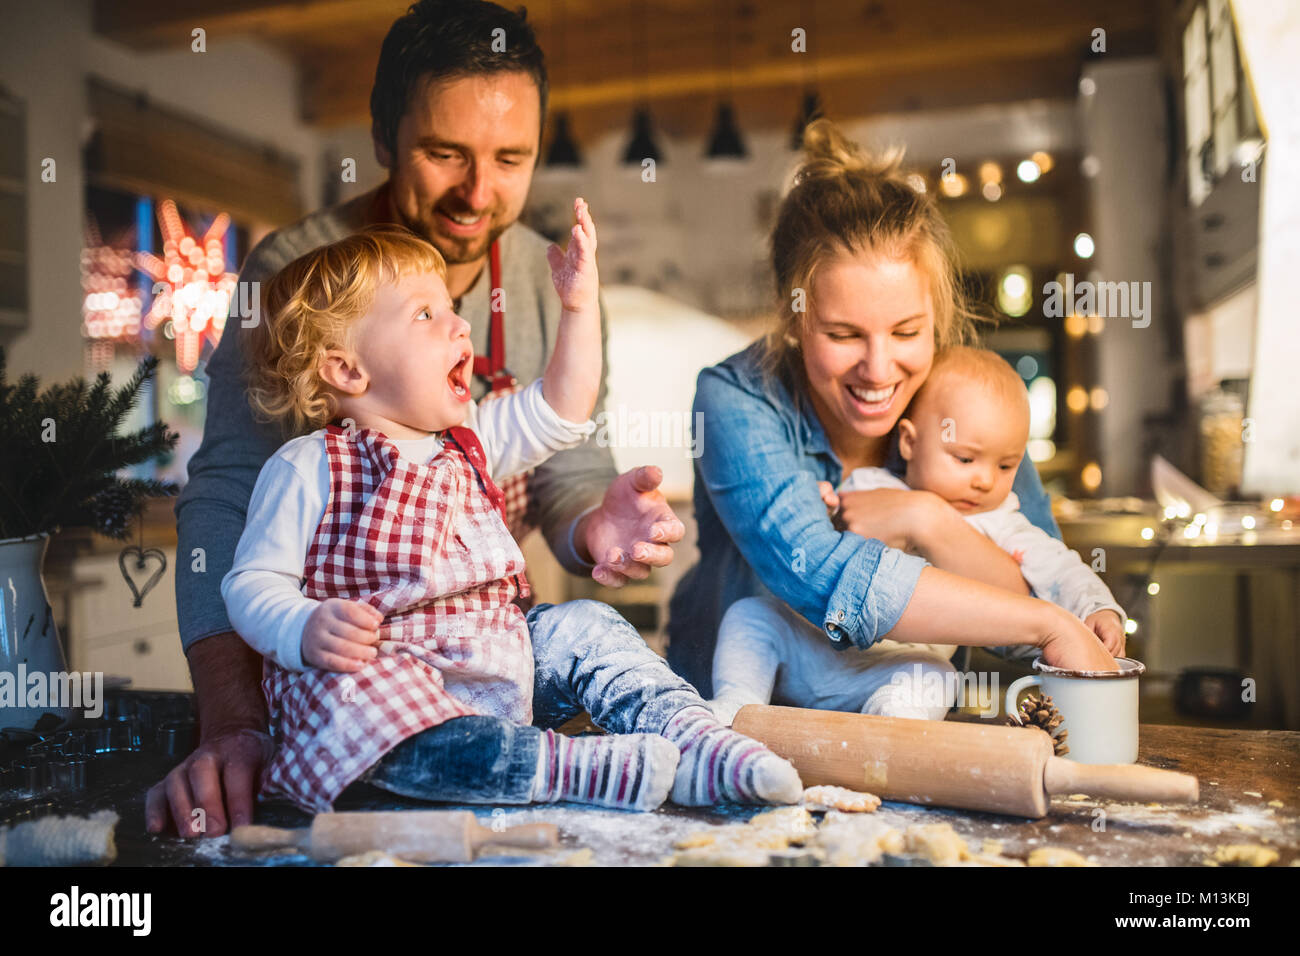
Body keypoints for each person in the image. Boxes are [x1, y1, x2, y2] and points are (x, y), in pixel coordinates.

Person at [151, 0, 684, 837]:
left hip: (481, 646)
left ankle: (686, 739)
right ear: (382, 139)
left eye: (512, 158)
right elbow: (225, 499)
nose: (479, 193)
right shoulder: (297, 274)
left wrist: (600, 527)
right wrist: (232, 722)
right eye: (444, 154)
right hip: (351, 667)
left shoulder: (550, 285)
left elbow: (566, 467)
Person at [219, 213, 801, 813]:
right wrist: (299, 629)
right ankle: (577, 770)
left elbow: (562, 406)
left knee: (585, 625)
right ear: (347, 370)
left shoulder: (470, 436)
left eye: (452, 308)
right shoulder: (308, 467)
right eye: (426, 315)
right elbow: (252, 583)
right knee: (349, 710)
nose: (459, 325)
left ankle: (699, 740)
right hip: (388, 680)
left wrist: (577, 308)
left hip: (501, 661)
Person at [667, 119, 1119, 703]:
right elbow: (823, 575)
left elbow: (1036, 583)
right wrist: (1047, 623)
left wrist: (923, 517)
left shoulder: (966, 399)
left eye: (906, 331)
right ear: (793, 318)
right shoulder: (736, 398)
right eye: (843, 334)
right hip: (738, 720)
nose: (879, 370)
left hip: (888, 706)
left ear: (937, 318)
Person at [708, 346, 1127, 724]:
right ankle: (736, 710)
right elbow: (821, 554)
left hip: (892, 670)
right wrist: (822, 507)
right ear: (909, 442)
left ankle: (889, 729)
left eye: (1005, 467)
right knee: (751, 616)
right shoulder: (871, 485)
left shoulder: (1003, 524)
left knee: (937, 677)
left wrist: (1098, 608)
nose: (983, 480)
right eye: (965, 458)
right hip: (808, 657)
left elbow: (1062, 571)